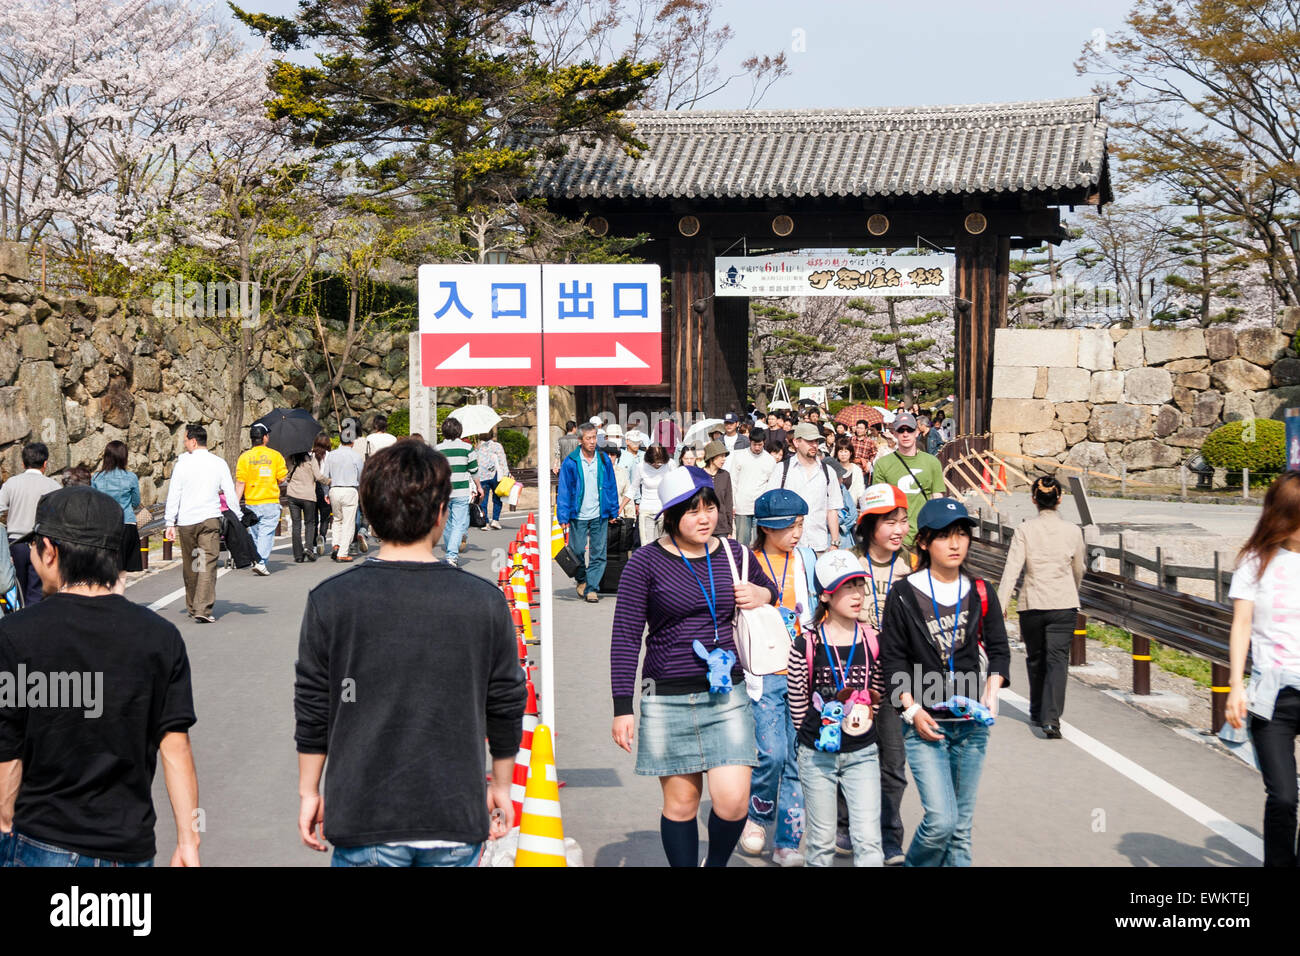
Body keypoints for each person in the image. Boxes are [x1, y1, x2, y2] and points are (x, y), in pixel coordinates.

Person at [294, 441, 526, 866]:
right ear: (441, 514)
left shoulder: (331, 599)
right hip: (453, 813)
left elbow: (314, 705)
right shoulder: (483, 601)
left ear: (370, 510)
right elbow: (506, 701)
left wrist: (310, 792)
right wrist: (501, 785)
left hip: (363, 814)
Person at [0, 486, 200, 866]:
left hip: (42, 842)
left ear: (50, 551)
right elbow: (176, 748)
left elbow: (7, 756)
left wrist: (4, 822)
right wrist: (189, 840)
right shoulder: (160, 637)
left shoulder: (15, 635)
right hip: (129, 848)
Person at [610, 466, 778, 867]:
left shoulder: (735, 553)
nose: (705, 518)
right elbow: (626, 636)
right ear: (670, 515)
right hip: (666, 694)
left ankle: (715, 863)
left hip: (727, 692)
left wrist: (762, 592)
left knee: (734, 801)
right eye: (691, 511)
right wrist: (621, 707)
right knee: (683, 803)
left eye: (709, 507)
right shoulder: (645, 563)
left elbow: (769, 590)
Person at [879, 498, 1011, 867]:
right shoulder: (904, 595)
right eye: (944, 536)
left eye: (962, 535)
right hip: (925, 722)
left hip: (971, 726)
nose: (955, 544)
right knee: (941, 821)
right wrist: (912, 708)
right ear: (923, 542)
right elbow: (893, 660)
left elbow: (999, 649)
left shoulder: (980, 589)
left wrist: (993, 686)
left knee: (961, 828)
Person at [788, 549, 888, 867]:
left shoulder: (874, 640)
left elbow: (880, 694)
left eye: (860, 585)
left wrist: (861, 713)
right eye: (848, 587)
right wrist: (815, 734)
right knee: (820, 843)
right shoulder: (807, 643)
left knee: (869, 841)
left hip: (863, 753)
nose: (857, 594)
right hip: (816, 755)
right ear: (827, 596)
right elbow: (797, 701)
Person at [1225, 471, 1300, 866]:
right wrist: (1235, 686)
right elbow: (1240, 626)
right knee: (1284, 796)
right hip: (1272, 696)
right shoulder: (1255, 563)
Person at [739, 489, 813, 867]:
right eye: (789, 527)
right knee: (771, 752)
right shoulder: (746, 562)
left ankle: (789, 840)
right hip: (763, 673)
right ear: (766, 527)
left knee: (798, 759)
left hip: (804, 670)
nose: (796, 533)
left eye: (800, 525)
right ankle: (757, 816)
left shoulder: (807, 560)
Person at [997, 475, 1085, 738]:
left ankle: (1036, 710)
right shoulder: (1073, 531)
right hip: (1064, 602)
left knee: (1036, 658)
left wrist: (1001, 604)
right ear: (1059, 499)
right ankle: (1051, 718)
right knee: (1058, 660)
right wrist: (1073, 589)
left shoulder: (1025, 530)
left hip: (1032, 602)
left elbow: (1012, 568)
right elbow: (1078, 567)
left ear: (1034, 500)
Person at [853, 484, 912, 865]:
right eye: (890, 522)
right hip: (852, 675)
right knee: (849, 754)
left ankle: (890, 836)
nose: (898, 529)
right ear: (870, 525)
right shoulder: (848, 564)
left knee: (892, 761)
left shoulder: (913, 566)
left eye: (903, 521)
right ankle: (845, 823)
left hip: (896, 677)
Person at [165, 424, 242, 622]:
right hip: (209, 519)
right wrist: (238, 515)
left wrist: (169, 522)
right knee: (207, 562)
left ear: (193, 440)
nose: (184, 444)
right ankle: (202, 608)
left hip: (186, 521)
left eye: (184, 441)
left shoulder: (182, 464)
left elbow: (174, 494)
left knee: (192, 563)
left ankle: (192, 606)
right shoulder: (218, 463)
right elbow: (229, 492)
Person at [557, 423, 619, 602]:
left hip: (600, 513)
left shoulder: (603, 459)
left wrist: (613, 509)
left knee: (598, 553)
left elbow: (611, 486)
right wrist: (563, 515)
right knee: (576, 551)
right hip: (578, 514)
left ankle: (592, 588)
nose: (592, 442)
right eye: (588, 438)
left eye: (595, 437)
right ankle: (582, 579)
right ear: (580, 440)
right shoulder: (571, 461)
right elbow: (564, 490)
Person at [764, 423, 841, 554]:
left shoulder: (828, 472)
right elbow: (771, 507)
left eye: (816, 441)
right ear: (796, 442)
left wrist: (834, 542)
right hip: (787, 545)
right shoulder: (782, 470)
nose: (814, 445)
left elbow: (832, 509)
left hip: (819, 545)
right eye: (809, 441)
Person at [0, 442, 61, 607]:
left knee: (17, 589)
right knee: (36, 592)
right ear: (45, 463)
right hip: (41, 543)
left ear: (22, 463)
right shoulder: (54, 486)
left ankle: (17, 622)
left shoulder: (11, 483)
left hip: (14, 544)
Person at [871, 412, 944, 548]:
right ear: (895, 433)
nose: (905, 434)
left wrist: (934, 532)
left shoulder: (932, 462)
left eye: (909, 429)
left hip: (924, 536)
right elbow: (879, 505)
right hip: (895, 538)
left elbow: (937, 499)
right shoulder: (883, 464)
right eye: (901, 430)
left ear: (917, 432)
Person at [234, 423, 288, 576]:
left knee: (256, 534)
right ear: (265, 437)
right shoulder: (276, 456)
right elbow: (282, 478)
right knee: (266, 534)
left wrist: (235, 504)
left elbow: (240, 482)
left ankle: (258, 560)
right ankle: (261, 561)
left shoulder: (244, 457)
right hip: (270, 501)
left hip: (251, 502)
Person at [91, 440, 143, 586]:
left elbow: (94, 503)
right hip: (127, 523)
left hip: (104, 527)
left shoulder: (96, 478)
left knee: (103, 566)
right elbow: (135, 502)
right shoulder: (131, 477)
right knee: (122, 570)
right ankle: (117, 600)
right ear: (123, 457)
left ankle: (105, 598)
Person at [434, 416, 481, 568]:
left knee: (447, 524)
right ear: (459, 431)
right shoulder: (467, 448)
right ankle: (451, 555)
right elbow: (474, 470)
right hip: (461, 491)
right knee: (458, 524)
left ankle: (451, 551)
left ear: (443, 432)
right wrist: (479, 487)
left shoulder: (437, 449)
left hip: (443, 492)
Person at [725, 427, 774, 548]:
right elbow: (733, 481)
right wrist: (733, 504)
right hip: (742, 506)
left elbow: (772, 485)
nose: (757, 448)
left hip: (760, 508)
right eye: (754, 444)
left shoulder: (770, 460)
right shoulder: (739, 456)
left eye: (760, 445)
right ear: (749, 441)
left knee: (760, 544)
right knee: (742, 544)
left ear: (764, 442)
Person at [322, 431, 364, 563]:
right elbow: (361, 477)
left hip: (334, 489)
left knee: (337, 519)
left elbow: (325, 475)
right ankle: (343, 552)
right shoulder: (356, 456)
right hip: (350, 490)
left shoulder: (332, 455)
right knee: (348, 522)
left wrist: (325, 492)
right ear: (352, 442)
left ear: (340, 440)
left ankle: (336, 544)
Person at [285, 443, 329, 564]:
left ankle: (298, 555)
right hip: (308, 495)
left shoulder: (289, 459)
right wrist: (329, 481)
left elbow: (286, 475)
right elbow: (319, 477)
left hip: (293, 495)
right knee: (310, 523)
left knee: (296, 524)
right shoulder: (311, 459)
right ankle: (309, 548)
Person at [632, 445, 673, 549]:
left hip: (665, 510)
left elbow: (675, 486)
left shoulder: (671, 464)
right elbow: (633, 488)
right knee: (647, 547)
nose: (657, 465)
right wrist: (620, 507)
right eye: (654, 463)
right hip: (646, 510)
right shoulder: (641, 466)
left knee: (667, 546)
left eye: (660, 462)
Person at [476, 429, 511, 530]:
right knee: (497, 497)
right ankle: (495, 520)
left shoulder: (478, 447)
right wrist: (506, 473)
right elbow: (502, 461)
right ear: (491, 435)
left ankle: (485, 523)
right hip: (496, 475)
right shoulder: (497, 446)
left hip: (482, 476)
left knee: (483, 499)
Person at [700, 440, 734, 538]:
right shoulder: (699, 475)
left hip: (722, 527)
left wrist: (729, 529)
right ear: (711, 457)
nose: (724, 459)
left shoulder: (725, 475)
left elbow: (728, 503)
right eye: (721, 456)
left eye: (724, 456)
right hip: (703, 525)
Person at [311, 432, 332, 555]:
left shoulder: (309, 455)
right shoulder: (330, 456)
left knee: (313, 519)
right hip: (325, 488)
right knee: (325, 517)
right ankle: (322, 537)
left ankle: (313, 544)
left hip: (312, 489)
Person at [834, 437, 866, 510]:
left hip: (851, 509)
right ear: (837, 453)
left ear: (851, 453)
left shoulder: (857, 470)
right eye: (840, 451)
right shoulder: (832, 469)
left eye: (846, 451)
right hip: (835, 509)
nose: (843, 454)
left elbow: (860, 490)